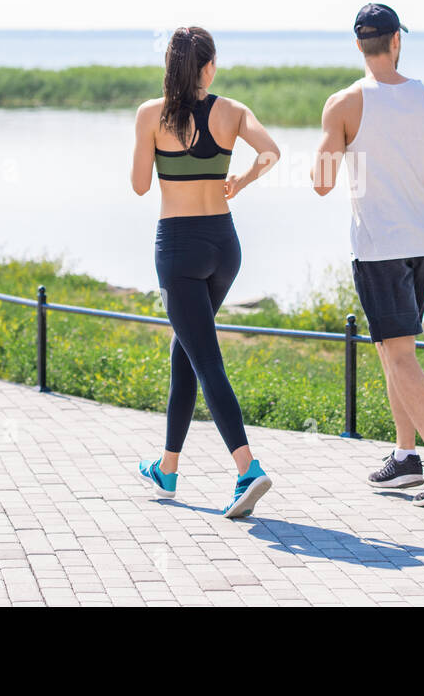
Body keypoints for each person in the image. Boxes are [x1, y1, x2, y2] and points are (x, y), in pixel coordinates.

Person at [311, 4, 424, 508]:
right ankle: (406, 457)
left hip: (380, 247)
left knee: (398, 352)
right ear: (396, 42)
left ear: (359, 45)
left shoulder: (343, 103)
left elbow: (321, 183)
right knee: (392, 349)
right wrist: (417, 187)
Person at [130, 26, 282, 518]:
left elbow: (137, 186)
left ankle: (247, 469)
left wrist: (157, 150)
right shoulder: (233, 111)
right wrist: (241, 177)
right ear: (210, 66)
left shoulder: (150, 115)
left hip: (178, 248)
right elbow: (271, 152)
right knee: (188, 348)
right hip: (224, 245)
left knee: (206, 357)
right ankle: (167, 466)